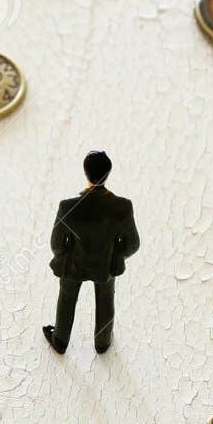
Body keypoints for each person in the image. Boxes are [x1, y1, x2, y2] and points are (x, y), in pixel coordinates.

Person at [43, 150, 139, 354]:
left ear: (85, 172)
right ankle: (102, 343)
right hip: (106, 266)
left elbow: (56, 243)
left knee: (67, 299)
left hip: (74, 264)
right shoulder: (122, 207)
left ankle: (60, 340)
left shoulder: (68, 206)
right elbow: (133, 245)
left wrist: (67, 252)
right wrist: (115, 253)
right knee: (106, 300)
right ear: (108, 173)